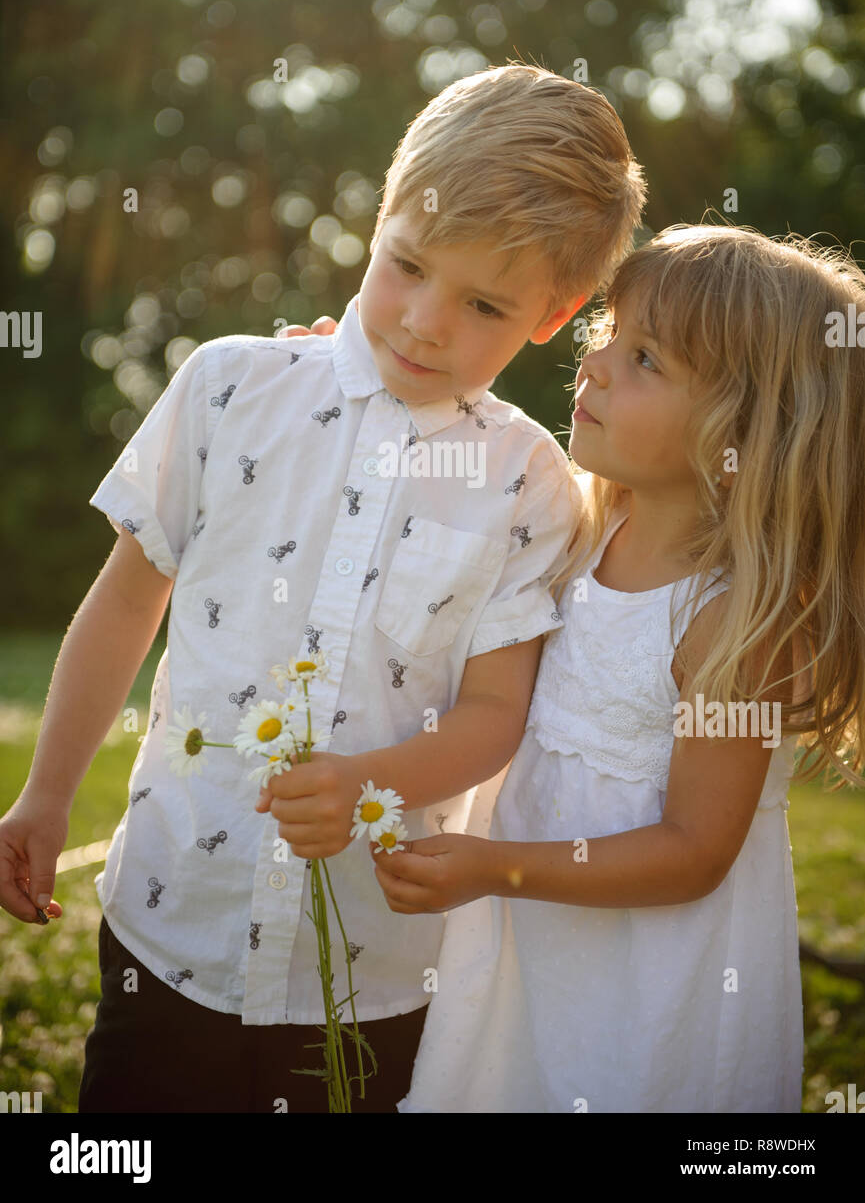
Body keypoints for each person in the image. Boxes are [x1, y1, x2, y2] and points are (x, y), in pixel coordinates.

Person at [0, 62, 645, 1113]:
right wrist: (45, 794)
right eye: (407, 266)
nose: (426, 322)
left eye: (482, 302)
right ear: (379, 216)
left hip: (374, 967)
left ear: (552, 312)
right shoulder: (228, 386)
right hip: (172, 922)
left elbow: (495, 713)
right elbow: (126, 603)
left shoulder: (528, 481)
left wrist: (371, 779)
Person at [364, 223, 865, 1114]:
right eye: (607, 332)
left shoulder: (731, 625)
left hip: (646, 993)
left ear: (741, 431)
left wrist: (495, 867)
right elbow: (450, 456)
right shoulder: (582, 527)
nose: (593, 366)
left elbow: (692, 854)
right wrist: (331, 370)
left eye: (644, 360)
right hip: (537, 961)